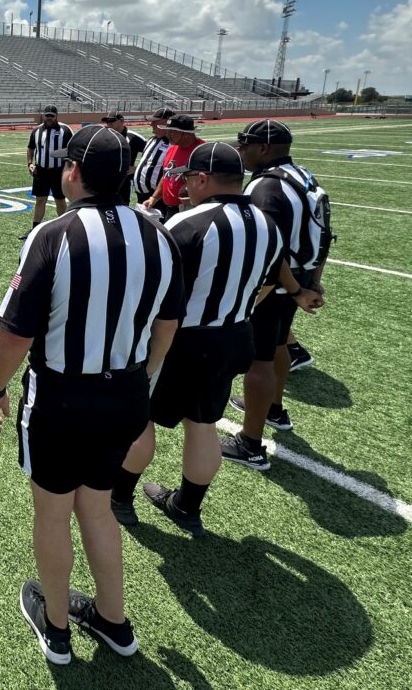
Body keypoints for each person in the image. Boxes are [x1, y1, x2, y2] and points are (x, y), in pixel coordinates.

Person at [0, 126, 182, 665]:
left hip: (60, 397)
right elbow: (168, 324)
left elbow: (15, 333)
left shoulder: (52, 235)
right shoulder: (159, 236)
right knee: (96, 508)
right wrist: (145, 378)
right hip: (125, 396)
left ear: (71, 170)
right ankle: (114, 622)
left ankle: (56, 629)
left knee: (52, 513)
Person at [111, 142, 283, 537]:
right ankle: (187, 505)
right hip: (236, 334)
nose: (185, 186)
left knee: (142, 418)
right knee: (203, 423)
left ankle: (119, 497)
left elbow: (157, 291)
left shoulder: (187, 225)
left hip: (184, 340)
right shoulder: (267, 224)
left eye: (189, 178)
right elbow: (269, 283)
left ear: (203, 178)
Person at [223, 120, 331, 469]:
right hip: (298, 277)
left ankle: (250, 443)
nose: (241, 151)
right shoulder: (302, 175)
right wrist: (313, 280)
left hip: (277, 282)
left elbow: (270, 247)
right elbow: (325, 233)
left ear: (264, 148)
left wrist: (296, 289)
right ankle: (273, 408)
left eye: (246, 144)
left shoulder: (267, 187)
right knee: (280, 343)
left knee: (260, 359)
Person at [22, 106, 73, 240]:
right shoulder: (37, 131)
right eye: (47, 115)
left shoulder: (65, 130)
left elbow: (72, 150)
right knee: (40, 200)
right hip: (41, 171)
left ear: (56, 116)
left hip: (58, 171)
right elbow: (30, 148)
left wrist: (68, 168)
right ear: (44, 116)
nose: (49, 118)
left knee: (60, 201)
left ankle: (65, 229)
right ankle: (34, 229)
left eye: (52, 116)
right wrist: (30, 163)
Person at [140, 115, 203, 221]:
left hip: (190, 210)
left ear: (186, 134)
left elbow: (212, 181)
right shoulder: (172, 148)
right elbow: (166, 175)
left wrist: (196, 197)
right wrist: (154, 198)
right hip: (169, 210)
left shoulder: (202, 151)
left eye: (172, 131)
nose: (168, 134)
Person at [100, 112, 146, 204]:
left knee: (123, 206)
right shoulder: (103, 136)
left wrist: (137, 168)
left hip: (124, 182)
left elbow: (152, 154)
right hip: (105, 180)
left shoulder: (133, 137)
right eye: (107, 121)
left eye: (112, 121)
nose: (109, 124)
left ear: (122, 121)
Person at [133, 108, 175, 206]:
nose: (151, 124)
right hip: (142, 194)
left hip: (156, 197)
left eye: (155, 122)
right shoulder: (152, 139)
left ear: (166, 122)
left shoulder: (173, 144)